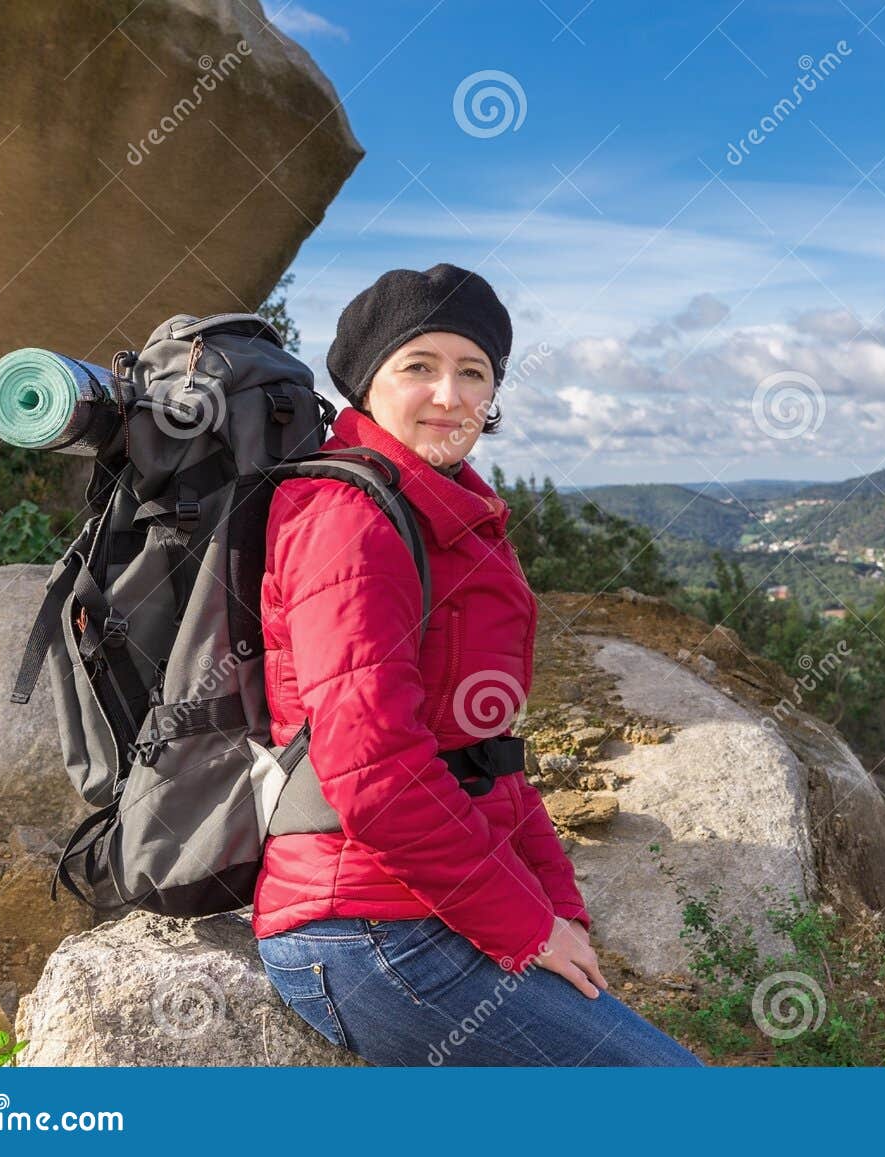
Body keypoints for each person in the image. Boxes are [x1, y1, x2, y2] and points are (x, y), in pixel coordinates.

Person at [252, 262, 702, 1067]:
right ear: (365, 385)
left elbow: (485, 756)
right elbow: (375, 772)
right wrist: (525, 924)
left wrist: (558, 904)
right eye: (418, 367)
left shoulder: (447, 510)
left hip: (422, 906)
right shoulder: (351, 523)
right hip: (360, 929)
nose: (451, 396)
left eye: (474, 372)